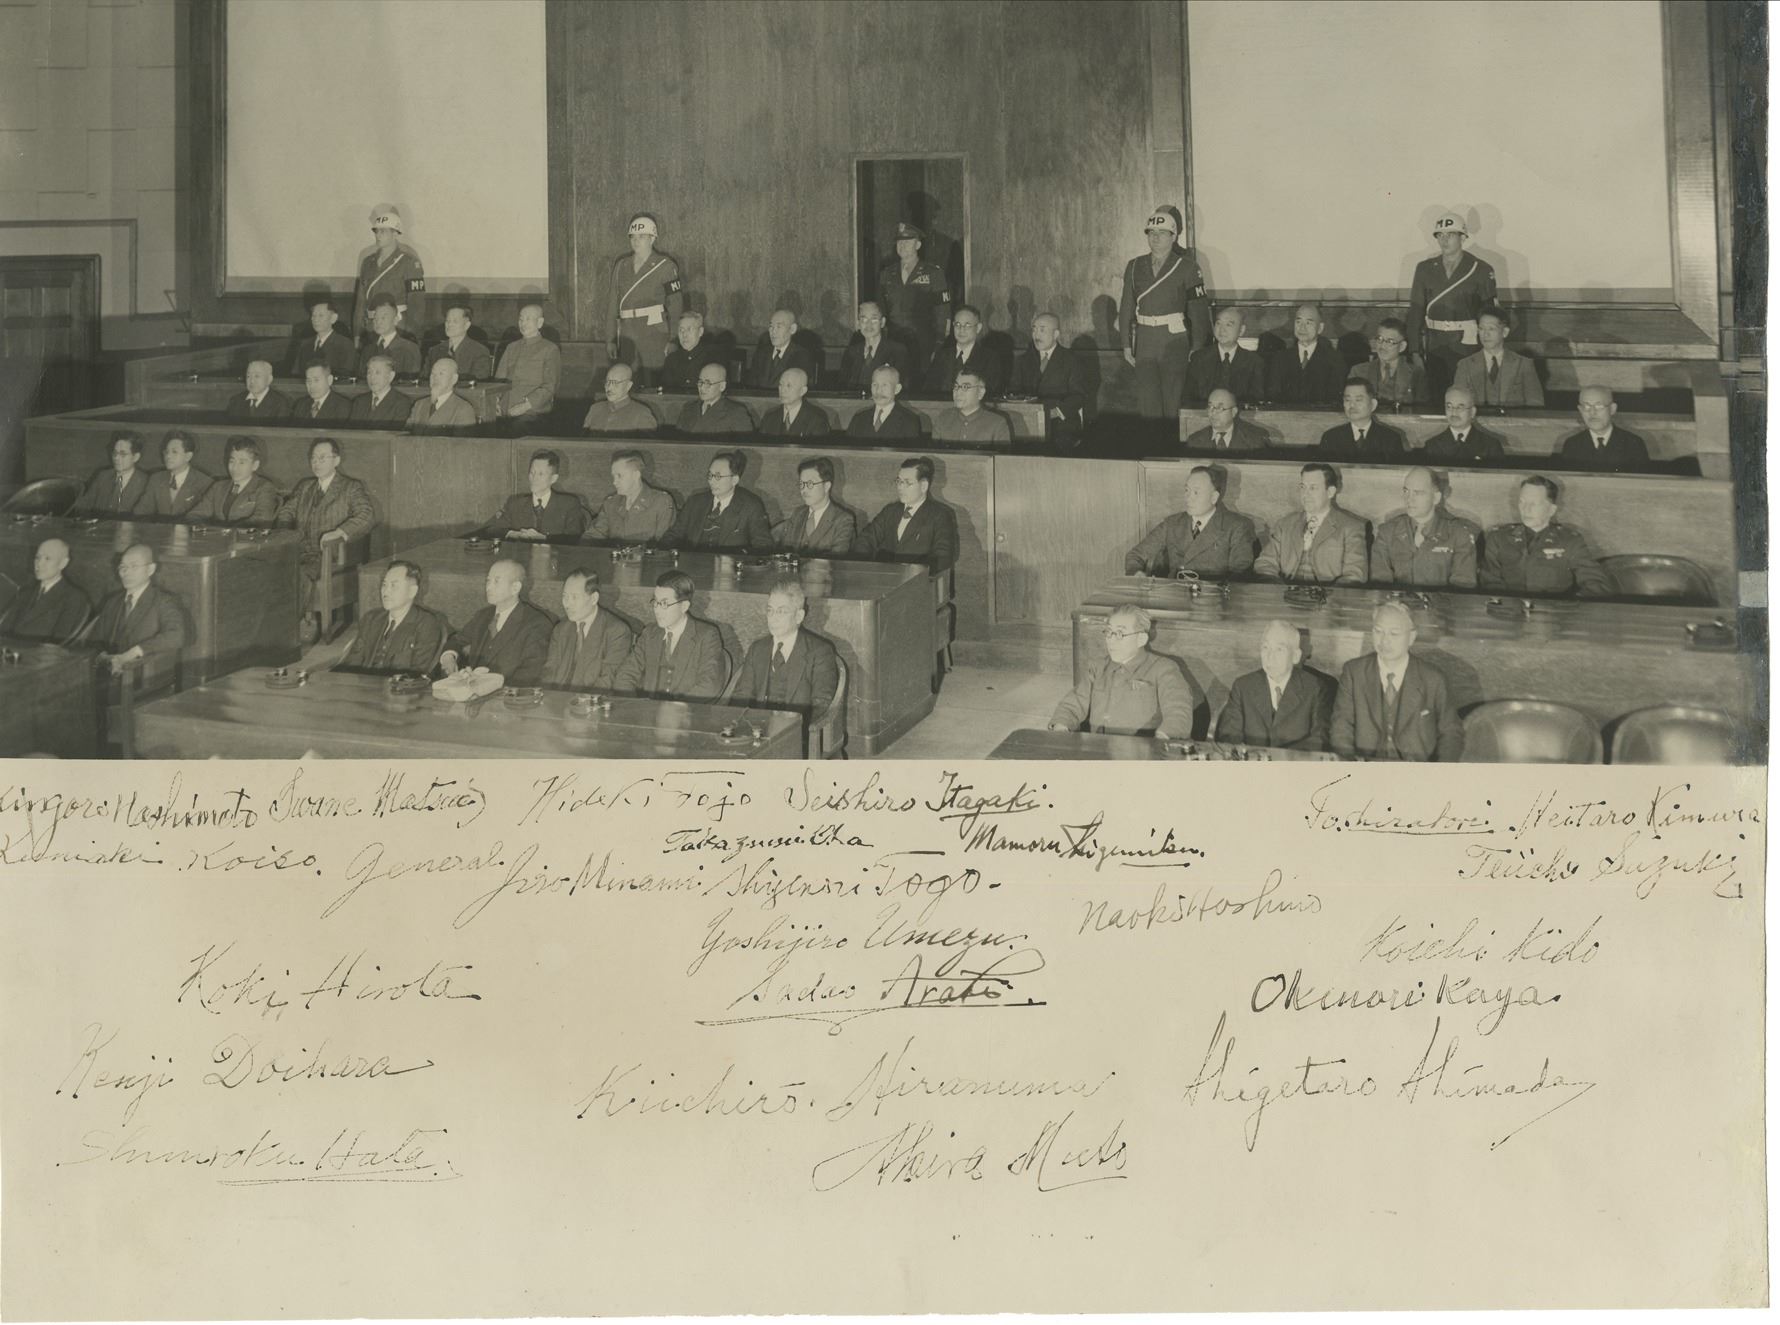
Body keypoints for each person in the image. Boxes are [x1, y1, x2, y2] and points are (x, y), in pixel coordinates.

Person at [1331, 601, 1463, 761]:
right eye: (1378, 631)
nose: (1385, 641)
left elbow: (1451, 734)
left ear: (1411, 637)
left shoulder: (1433, 679)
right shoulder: (1354, 672)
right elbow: (1341, 727)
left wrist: (1436, 776)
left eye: (1394, 634)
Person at [274, 437, 377, 637]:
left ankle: (284, 633)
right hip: (299, 550)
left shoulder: (351, 487)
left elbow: (367, 515)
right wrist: (286, 533)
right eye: (313, 458)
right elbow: (285, 513)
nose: (316, 463)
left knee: (298, 573)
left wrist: (340, 532)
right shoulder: (305, 487)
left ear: (336, 460)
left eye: (323, 458)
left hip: (329, 556)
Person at [1048, 604, 1197, 738]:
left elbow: (1178, 712)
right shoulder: (1098, 667)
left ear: (1141, 639)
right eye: (1108, 632)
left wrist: (1162, 740)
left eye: (1120, 633)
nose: (1110, 640)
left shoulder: (1164, 668)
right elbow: (1072, 705)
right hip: (1097, 749)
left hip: (1140, 754)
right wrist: (1061, 726)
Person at [1117, 204, 1210, 418]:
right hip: (1146, 339)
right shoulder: (1134, 266)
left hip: (1174, 340)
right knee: (1148, 402)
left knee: (1173, 400)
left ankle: (1172, 449)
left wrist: (1196, 347)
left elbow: (1198, 312)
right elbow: (1126, 307)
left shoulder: (1187, 267)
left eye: (1162, 233)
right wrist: (1125, 344)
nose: (1155, 238)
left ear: (1174, 235)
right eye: (1151, 233)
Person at [1406, 210, 1497, 399]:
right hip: (1435, 345)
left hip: (1468, 345)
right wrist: (1415, 351)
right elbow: (1415, 312)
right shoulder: (1424, 269)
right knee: (1435, 396)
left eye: (1451, 235)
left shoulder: (1481, 269)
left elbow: (1490, 316)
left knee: (1467, 395)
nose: (1444, 240)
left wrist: (1489, 351)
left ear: (1463, 237)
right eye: (1440, 235)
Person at [1215, 620, 1336, 751]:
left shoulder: (1316, 689)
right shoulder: (1243, 686)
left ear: (1295, 656)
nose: (1270, 657)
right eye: (1265, 648)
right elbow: (1228, 737)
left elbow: (1320, 739)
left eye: (1279, 649)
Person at [1479, 475, 1610, 596]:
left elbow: (1596, 584)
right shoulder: (1498, 538)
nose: (1526, 509)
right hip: (1508, 614)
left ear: (1551, 510)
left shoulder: (1570, 541)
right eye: (1522, 502)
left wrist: (1568, 609)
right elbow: (1490, 583)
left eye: (1534, 504)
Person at [614, 569, 729, 699]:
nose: (657, 609)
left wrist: (675, 709)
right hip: (646, 712)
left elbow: (710, 685)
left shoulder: (707, 635)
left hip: (687, 713)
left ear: (684, 606)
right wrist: (633, 705)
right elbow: (625, 674)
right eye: (655, 602)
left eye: (664, 603)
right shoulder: (650, 633)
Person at [1124, 464, 1256, 578]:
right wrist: (1136, 573)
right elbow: (1135, 555)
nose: (1188, 497)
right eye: (1186, 490)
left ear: (1214, 497)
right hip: (1175, 598)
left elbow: (1240, 574)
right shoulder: (1172, 524)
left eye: (1196, 493)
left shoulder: (1237, 526)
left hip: (1214, 602)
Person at [730, 580, 840, 714]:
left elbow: (821, 704)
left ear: (799, 616)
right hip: (758, 728)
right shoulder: (757, 649)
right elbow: (741, 696)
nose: (773, 618)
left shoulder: (819, 652)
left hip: (798, 729)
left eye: (781, 612)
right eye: (770, 610)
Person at [437, 558, 552, 686]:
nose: (488, 587)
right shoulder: (483, 616)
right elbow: (457, 640)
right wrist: (448, 657)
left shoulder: (537, 623)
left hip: (508, 696)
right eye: (488, 581)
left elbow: (531, 671)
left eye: (496, 581)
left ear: (515, 588)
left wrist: (490, 684)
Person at [1254, 462, 1368, 585]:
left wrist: (1328, 599)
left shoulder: (1351, 527)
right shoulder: (1285, 524)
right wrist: (1279, 592)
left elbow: (1355, 574)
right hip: (1285, 597)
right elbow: (1264, 563)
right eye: (1303, 487)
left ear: (1330, 492)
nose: (1305, 494)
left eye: (1313, 488)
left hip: (1329, 600)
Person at [1369, 467, 1480, 588]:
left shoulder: (1459, 533)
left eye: (1418, 493)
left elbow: (1463, 588)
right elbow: (1380, 585)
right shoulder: (1387, 532)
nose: (1409, 499)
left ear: (1436, 498)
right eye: (1406, 491)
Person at [610, 212, 684, 385]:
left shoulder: (666, 266)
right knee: (628, 381)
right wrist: (610, 339)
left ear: (652, 238)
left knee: (653, 381)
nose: (636, 240)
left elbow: (675, 305)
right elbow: (612, 304)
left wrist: (674, 339)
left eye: (642, 236)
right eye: (633, 237)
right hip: (627, 333)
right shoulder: (621, 265)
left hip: (654, 334)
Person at [91, 543, 186, 678]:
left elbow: (177, 635)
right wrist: (105, 658)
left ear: (150, 569)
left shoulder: (163, 601)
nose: (126, 572)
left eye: (134, 566)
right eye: (122, 567)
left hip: (141, 677)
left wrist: (134, 652)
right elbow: (95, 640)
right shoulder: (112, 602)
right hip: (107, 673)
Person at [854, 456, 958, 572]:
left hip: (917, 584)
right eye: (899, 481)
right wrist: (863, 568)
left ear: (924, 486)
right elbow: (865, 539)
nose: (900, 487)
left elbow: (943, 557)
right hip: (883, 579)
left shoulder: (940, 515)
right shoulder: (890, 511)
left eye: (907, 483)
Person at [340, 561, 447, 673]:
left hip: (399, 689)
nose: (386, 592)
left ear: (412, 591)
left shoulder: (427, 625)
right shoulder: (371, 619)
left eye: (394, 586)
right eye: (384, 584)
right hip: (362, 686)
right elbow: (352, 663)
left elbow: (416, 675)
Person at [876, 221, 951, 373]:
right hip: (894, 342)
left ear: (918, 245)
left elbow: (943, 313)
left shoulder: (933, 273)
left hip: (923, 343)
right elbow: (881, 310)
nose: (902, 245)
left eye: (907, 241)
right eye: (899, 241)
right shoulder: (886, 274)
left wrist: (939, 344)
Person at [541, 567, 633, 690]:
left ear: (594, 598)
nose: (567, 604)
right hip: (557, 699)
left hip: (592, 702)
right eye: (565, 596)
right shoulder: (561, 629)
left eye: (574, 597)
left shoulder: (617, 631)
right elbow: (549, 672)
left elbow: (607, 679)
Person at [667, 449, 773, 550]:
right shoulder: (695, 502)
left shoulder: (752, 506)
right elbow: (673, 536)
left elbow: (763, 546)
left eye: (718, 476)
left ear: (734, 480)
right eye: (710, 475)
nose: (711, 482)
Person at [1010, 312, 1089, 445]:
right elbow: (1013, 391)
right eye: (1034, 329)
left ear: (1056, 334)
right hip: (1028, 424)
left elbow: (1079, 395)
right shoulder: (1022, 361)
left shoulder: (1071, 360)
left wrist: (1056, 412)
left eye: (1042, 330)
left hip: (1062, 426)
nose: (1036, 335)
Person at [351, 205, 425, 335]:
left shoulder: (409, 262)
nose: (378, 235)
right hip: (371, 327)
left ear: (395, 233)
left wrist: (413, 336)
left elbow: (416, 305)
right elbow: (360, 303)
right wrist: (357, 333)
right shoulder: (368, 262)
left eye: (383, 231)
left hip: (398, 328)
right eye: (376, 231)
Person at [0, 537, 90, 642]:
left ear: (63, 563)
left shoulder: (75, 597)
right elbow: (4, 629)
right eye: (37, 557)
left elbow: (59, 643)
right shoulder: (25, 593)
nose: (39, 564)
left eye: (47, 558)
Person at [1454, 305, 1544, 408]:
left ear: (1505, 332)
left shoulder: (1524, 365)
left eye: (1491, 329)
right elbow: (1457, 406)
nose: (1485, 334)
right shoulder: (1465, 366)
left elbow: (1536, 406)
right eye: (1481, 329)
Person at [487, 449, 588, 540]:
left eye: (541, 474)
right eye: (532, 473)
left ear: (554, 478)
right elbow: (492, 529)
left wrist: (544, 538)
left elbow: (574, 538)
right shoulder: (515, 503)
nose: (534, 478)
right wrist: (513, 534)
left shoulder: (569, 504)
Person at [1264, 304, 1346, 407]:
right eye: (1298, 322)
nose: (1302, 327)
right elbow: (1273, 396)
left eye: (1308, 323)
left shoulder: (1334, 359)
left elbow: (1335, 399)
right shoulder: (1280, 358)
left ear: (1320, 328)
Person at [587, 451, 676, 543]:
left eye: (619, 476)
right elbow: (593, 535)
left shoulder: (661, 502)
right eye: (613, 476)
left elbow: (664, 545)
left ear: (636, 475)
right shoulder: (611, 503)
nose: (614, 482)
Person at [1183, 306, 1266, 405]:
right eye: (1218, 323)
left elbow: (1256, 400)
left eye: (1228, 325)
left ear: (1241, 330)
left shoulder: (1254, 362)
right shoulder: (1199, 358)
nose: (1222, 330)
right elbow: (1187, 399)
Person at [1557, 386, 1651, 471]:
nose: (1592, 412)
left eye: (1599, 406)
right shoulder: (1572, 444)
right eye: (1587, 407)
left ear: (1612, 409)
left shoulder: (1633, 443)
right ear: (1580, 410)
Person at [495, 302, 561, 421]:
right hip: (504, 409)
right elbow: (498, 380)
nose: (523, 323)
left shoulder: (550, 349)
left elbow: (550, 387)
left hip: (533, 411)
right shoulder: (511, 347)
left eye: (528, 319)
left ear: (540, 323)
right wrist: (495, 403)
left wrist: (525, 406)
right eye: (520, 319)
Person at [776, 456, 856, 553]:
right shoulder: (798, 514)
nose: (804, 490)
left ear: (826, 486)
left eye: (810, 484)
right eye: (801, 484)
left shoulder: (843, 520)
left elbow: (836, 561)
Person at [925, 304, 1006, 397]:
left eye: (967, 325)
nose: (961, 330)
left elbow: (991, 393)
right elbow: (928, 391)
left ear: (978, 328)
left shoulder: (990, 358)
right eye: (957, 324)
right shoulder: (941, 356)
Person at [197, 436, 280, 526]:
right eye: (232, 461)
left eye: (242, 462)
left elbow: (261, 520)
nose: (235, 468)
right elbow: (195, 514)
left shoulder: (265, 487)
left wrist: (225, 531)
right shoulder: (218, 486)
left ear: (255, 465)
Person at [1318, 378, 1408, 461]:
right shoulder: (1331, 438)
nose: (1352, 405)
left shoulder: (1390, 439)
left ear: (1373, 404)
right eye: (1347, 400)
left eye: (1358, 400)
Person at [1350, 317, 1426, 409]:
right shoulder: (1358, 372)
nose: (1382, 346)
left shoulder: (1416, 374)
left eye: (1390, 341)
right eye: (1379, 339)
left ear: (1402, 346)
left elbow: (1422, 410)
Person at [838, 301, 911, 391]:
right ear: (858, 324)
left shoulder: (897, 351)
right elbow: (842, 387)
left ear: (882, 322)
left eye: (874, 319)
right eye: (864, 320)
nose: (869, 325)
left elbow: (902, 386)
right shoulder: (851, 352)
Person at [1421, 386, 1506, 463]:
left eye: (1460, 407)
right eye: (1449, 407)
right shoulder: (1432, 446)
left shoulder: (1491, 446)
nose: (1454, 412)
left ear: (1472, 412)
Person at [77, 430, 151, 514]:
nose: (116, 458)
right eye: (115, 453)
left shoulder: (146, 482)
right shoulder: (102, 476)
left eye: (122, 454)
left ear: (136, 457)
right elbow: (82, 507)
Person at [143, 430, 212, 519]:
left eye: (174, 452)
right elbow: (141, 513)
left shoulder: (205, 482)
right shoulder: (156, 479)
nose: (168, 456)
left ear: (188, 456)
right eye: (166, 452)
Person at [745, 308, 821, 390]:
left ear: (792, 329)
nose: (773, 331)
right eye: (771, 326)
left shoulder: (801, 355)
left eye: (779, 326)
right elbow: (751, 386)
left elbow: (795, 389)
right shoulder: (760, 354)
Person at [931, 369, 1012, 444]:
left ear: (980, 393)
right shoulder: (943, 419)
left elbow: (1001, 459)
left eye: (965, 387)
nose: (958, 392)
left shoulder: (997, 424)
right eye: (956, 386)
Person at [846, 364, 923, 439]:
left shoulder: (909, 421)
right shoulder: (859, 419)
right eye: (875, 385)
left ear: (897, 389)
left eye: (885, 385)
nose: (878, 391)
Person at [423, 302, 495, 381]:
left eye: (455, 321)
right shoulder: (434, 351)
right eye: (447, 321)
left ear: (467, 325)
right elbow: (424, 380)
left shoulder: (479, 352)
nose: (449, 324)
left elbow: (478, 384)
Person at [675, 363, 754, 433]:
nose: (702, 388)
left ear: (722, 386)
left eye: (708, 383)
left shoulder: (737, 412)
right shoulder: (688, 408)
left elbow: (743, 447)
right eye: (700, 382)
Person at [582, 362, 660, 433]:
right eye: (607, 382)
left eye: (615, 383)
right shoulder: (595, 409)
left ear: (628, 386)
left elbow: (648, 447)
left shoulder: (642, 414)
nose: (609, 387)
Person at [357, 293, 421, 377]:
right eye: (375, 318)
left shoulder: (409, 349)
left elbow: (411, 384)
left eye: (383, 318)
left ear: (395, 320)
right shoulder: (368, 350)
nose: (378, 322)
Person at [290, 297, 356, 378]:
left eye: (321, 315)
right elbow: (296, 375)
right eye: (313, 316)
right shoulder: (304, 345)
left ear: (333, 318)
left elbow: (346, 375)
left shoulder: (345, 344)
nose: (315, 320)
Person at [1184, 388, 1269, 451]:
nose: (1213, 412)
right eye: (1210, 407)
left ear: (1234, 412)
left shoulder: (1256, 440)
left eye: (1220, 408)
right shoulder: (1194, 441)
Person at [406, 357, 477, 430]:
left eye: (441, 373)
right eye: (433, 373)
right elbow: (405, 436)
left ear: (454, 379)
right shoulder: (419, 405)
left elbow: (463, 441)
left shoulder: (463, 409)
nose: (435, 378)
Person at [660, 311, 724, 393]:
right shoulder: (671, 359)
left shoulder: (713, 358)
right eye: (681, 330)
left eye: (689, 330)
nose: (684, 335)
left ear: (700, 332)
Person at [758, 366, 830, 436]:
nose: (782, 390)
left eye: (789, 386)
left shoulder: (817, 418)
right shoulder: (770, 416)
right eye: (780, 385)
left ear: (802, 391)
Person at [348, 354, 409, 423]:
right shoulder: (359, 401)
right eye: (369, 372)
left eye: (377, 373)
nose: (372, 377)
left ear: (391, 376)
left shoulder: (401, 403)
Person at [225, 359, 291, 420]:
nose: (252, 381)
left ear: (269, 379)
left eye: (257, 376)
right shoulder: (236, 401)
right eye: (248, 376)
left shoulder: (280, 403)